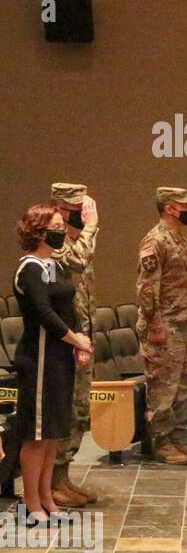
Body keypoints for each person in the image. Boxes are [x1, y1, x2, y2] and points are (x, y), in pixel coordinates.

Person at [9, 205, 93, 525]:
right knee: (36, 433)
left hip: (60, 358)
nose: (62, 231)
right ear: (39, 231)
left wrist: (80, 344)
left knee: (53, 434)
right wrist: (75, 340)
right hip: (39, 359)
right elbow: (45, 313)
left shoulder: (54, 265)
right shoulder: (29, 268)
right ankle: (31, 503)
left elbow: (68, 308)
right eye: (56, 226)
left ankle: (47, 498)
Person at [135, 188, 187, 464]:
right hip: (163, 324)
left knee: (185, 386)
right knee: (163, 386)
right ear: (170, 208)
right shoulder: (155, 240)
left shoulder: (180, 239)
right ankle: (160, 441)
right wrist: (155, 324)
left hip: (182, 322)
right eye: (183, 205)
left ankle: (177, 438)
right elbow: (148, 288)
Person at [50, 183, 101, 506]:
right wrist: (93, 226)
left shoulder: (77, 241)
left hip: (80, 338)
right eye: (77, 208)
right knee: (63, 410)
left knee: (80, 412)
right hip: (62, 342)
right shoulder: (54, 241)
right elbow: (78, 261)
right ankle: (52, 480)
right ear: (59, 206)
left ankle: (64, 475)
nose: (83, 214)